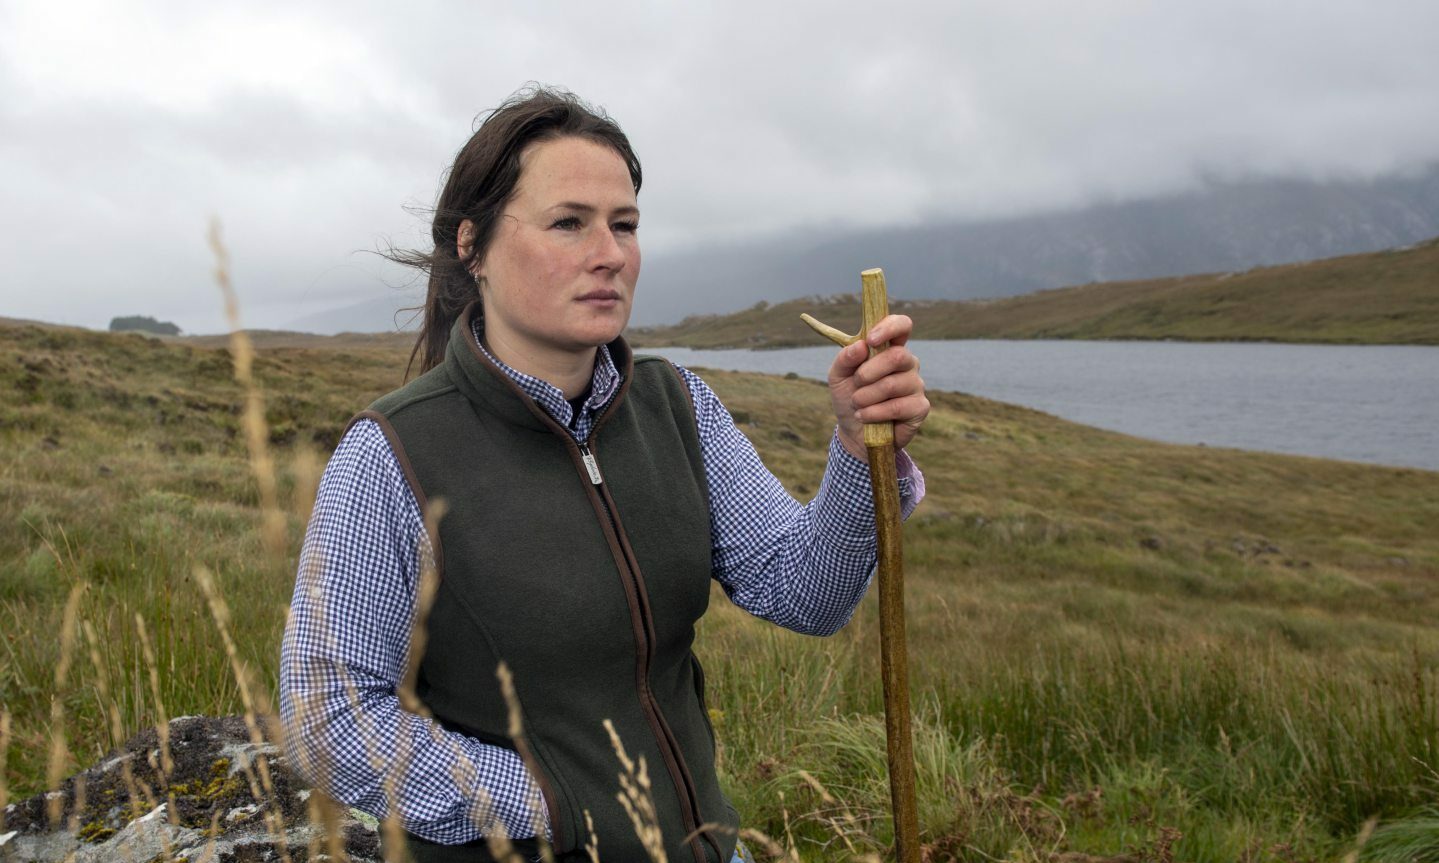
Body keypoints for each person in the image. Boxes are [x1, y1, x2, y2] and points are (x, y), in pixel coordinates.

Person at [279, 86, 930, 863]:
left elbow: (805, 593)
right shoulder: (393, 453)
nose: (610, 253)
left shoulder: (678, 406)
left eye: (624, 225)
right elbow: (326, 715)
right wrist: (550, 802)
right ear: (471, 246)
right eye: (568, 223)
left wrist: (860, 452)